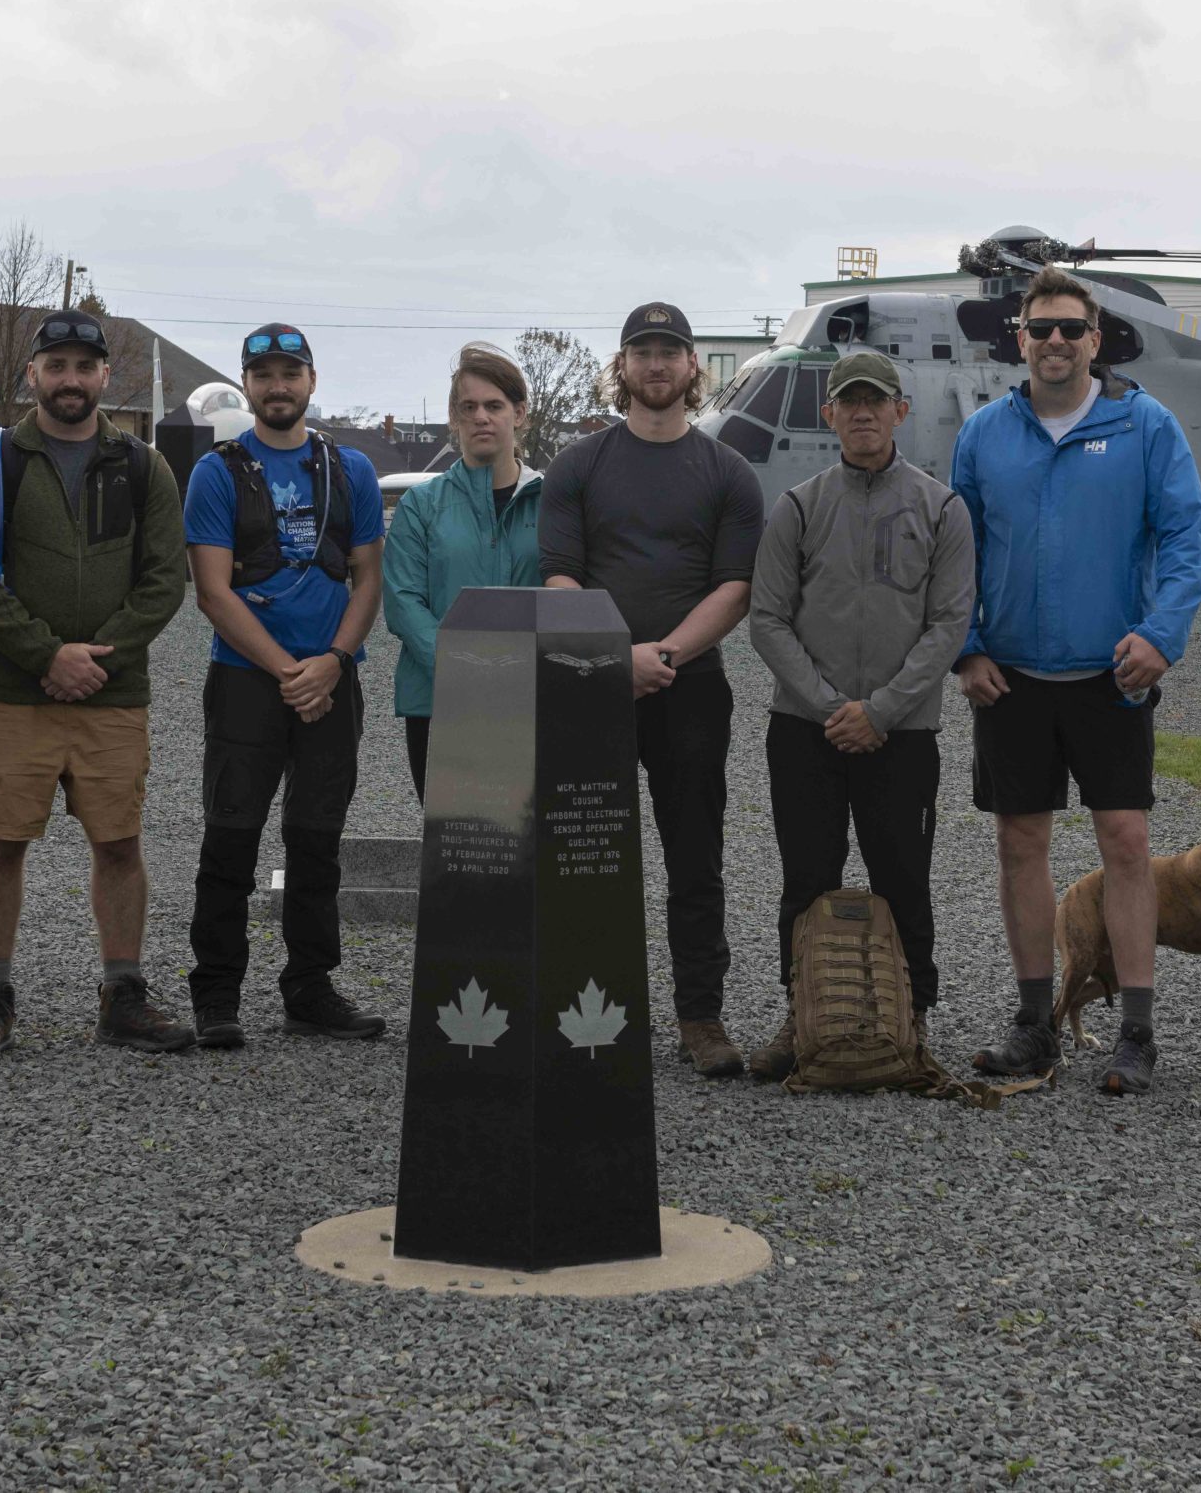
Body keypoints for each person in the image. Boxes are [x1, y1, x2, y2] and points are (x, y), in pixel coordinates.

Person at [952, 266, 1201, 1091]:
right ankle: (1035, 1022)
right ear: (1018, 339)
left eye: (1071, 328)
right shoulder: (984, 433)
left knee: (1126, 845)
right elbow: (958, 554)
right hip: (1013, 678)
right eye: (1041, 328)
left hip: (1112, 674)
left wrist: (1161, 637)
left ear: (1096, 340)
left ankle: (1136, 1029)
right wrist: (968, 646)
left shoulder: (1147, 427)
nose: (1056, 341)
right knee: (1020, 842)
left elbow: (1184, 539)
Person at [0, 310, 191, 1061]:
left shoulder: (145, 467)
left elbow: (163, 582)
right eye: (57, 366)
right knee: (1, 842)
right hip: (16, 695)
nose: (71, 380)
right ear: (34, 374)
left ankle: (123, 994)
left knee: (119, 843)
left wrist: (97, 661)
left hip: (111, 699)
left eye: (86, 366)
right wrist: (48, 655)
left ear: (105, 376)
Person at [539, 301, 765, 1077]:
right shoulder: (579, 465)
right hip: (587, 685)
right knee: (584, 854)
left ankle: (701, 1016)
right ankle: (582, 1006)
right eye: (643, 351)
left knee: (695, 859)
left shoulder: (727, 471)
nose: (658, 364)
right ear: (623, 366)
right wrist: (612, 656)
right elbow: (560, 575)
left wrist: (658, 655)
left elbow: (735, 587)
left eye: (672, 350)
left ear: (693, 366)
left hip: (692, 689)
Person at [745, 349, 974, 1078]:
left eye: (878, 400)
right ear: (831, 414)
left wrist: (880, 710)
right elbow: (767, 620)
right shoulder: (799, 506)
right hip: (805, 732)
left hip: (902, 734)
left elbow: (948, 623)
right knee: (806, 879)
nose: (865, 412)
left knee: (903, 877)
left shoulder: (942, 509)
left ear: (901, 410)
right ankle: (802, 1015)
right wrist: (828, 708)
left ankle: (912, 1023)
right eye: (851, 401)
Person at [182, 322, 390, 1049]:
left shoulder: (350, 470)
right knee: (231, 837)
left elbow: (369, 576)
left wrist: (333, 659)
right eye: (263, 373)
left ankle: (309, 987)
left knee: (316, 840)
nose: (277, 385)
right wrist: (287, 671)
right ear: (246, 382)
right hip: (248, 681)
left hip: (333, 680)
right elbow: (213, 592)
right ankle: (216, 992)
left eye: (289, 372)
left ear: (311, 380)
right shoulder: (218, 472)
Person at [383, 341, 544, 799]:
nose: (481, 417)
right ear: (453, 417)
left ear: (520, 413)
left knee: (530, 848)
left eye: (494, 405)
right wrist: (466, 672)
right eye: (468, 407)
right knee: (456, 849)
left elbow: (570, 596)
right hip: (438, 704)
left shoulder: (555, 504)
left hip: (531, 703)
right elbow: (403, 601)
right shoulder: (421, 506)